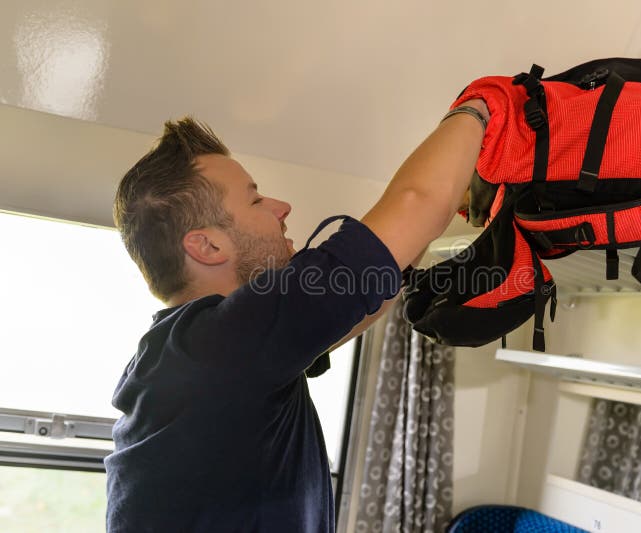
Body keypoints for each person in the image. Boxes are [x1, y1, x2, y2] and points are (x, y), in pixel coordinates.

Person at [104, 98, 490, 532]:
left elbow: (365, 293)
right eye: (255, 200)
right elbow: (412, 203)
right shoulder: (219, 346)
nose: (281, 206)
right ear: (208, 246)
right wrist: (481, 107)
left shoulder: (204, 357)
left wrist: (445, 201)